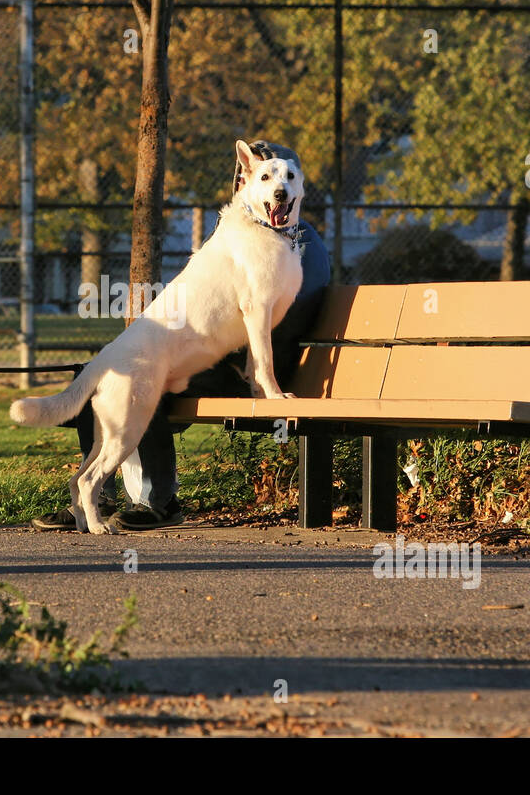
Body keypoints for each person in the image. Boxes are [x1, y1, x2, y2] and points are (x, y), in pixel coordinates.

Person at [33, 141, 333, 531]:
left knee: (145, 379)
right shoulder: (242, 233)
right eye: (257, 176)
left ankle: (158, 503)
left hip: (239, 367)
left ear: (297, 187)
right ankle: (95, 498)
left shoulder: (294, 243)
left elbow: (275, 318)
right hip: (217, 354)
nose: (274, 186)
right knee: (101, 373)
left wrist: (264, 381)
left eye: (285, 177)